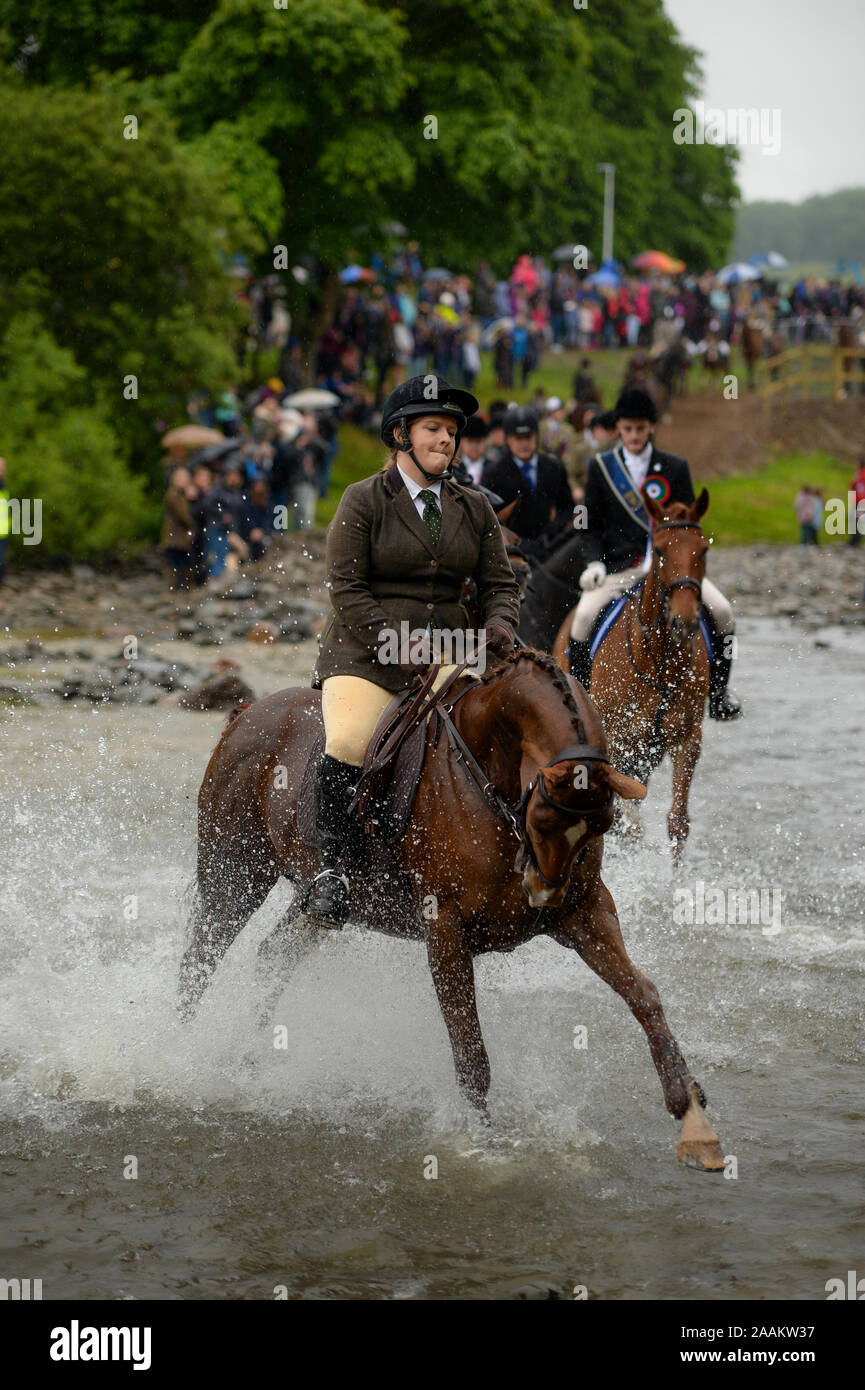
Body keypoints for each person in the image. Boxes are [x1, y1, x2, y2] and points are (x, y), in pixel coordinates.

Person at [309, 374, 521, 925]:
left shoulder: (472, 507)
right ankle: (332, 867)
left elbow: (500, 584)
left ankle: (516, 849)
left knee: (504, 722)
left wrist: (499, 625)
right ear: (400, 435)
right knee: (352, 739)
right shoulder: (363, 500)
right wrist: (393, 641)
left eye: (452, 431)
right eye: (434, 429)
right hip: (366, 655)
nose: (447, 440)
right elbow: (346, 588)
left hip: (450, 651)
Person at [570, 387, 742, 720]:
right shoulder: (601, 467)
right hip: (620, 567)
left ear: (651, 428)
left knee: (723, 612)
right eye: (628, 429)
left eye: (640, 428)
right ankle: (579, 703)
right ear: (618, 428)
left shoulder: (675, 467)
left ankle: (719, 695)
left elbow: (691, 524)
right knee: (581, 619)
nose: (634, 435)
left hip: (672, 569)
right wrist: (593, 561)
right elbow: (588, 524)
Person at [480, 404, 574, 558]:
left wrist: (554, 529)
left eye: (528, 437)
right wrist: (516, 541)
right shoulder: (493, 471)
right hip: (509, 552)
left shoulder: (554, 466)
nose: (524, 443)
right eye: (518, 438)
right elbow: (488, 517)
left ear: (536, 436)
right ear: (507, 439)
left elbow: (567, 506)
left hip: (549, 547)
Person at [160, 466, 197, 592]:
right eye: (181, 479)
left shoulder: (178, 494)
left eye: (186, 479)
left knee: (182, 564)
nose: (184, 481)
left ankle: (181, 590)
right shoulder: (174, 495)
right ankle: (177, 591)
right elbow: (184, 515)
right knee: (177, 564)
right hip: (175, 538)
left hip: (178, 538)